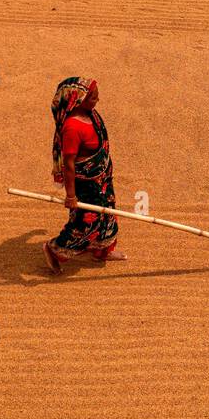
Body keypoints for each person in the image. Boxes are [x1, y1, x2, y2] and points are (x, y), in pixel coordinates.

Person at [42, 76, 126, 272]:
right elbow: (69, 165)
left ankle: (102, 251)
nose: (97, 101)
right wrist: (70, 196)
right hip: (86, 186)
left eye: (97, 96)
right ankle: (54, 249)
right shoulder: (72, 127)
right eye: (92, 98)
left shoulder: (92, 115)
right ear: (77, 101)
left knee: (108, 216)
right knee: (86, 222)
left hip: (102, 180)